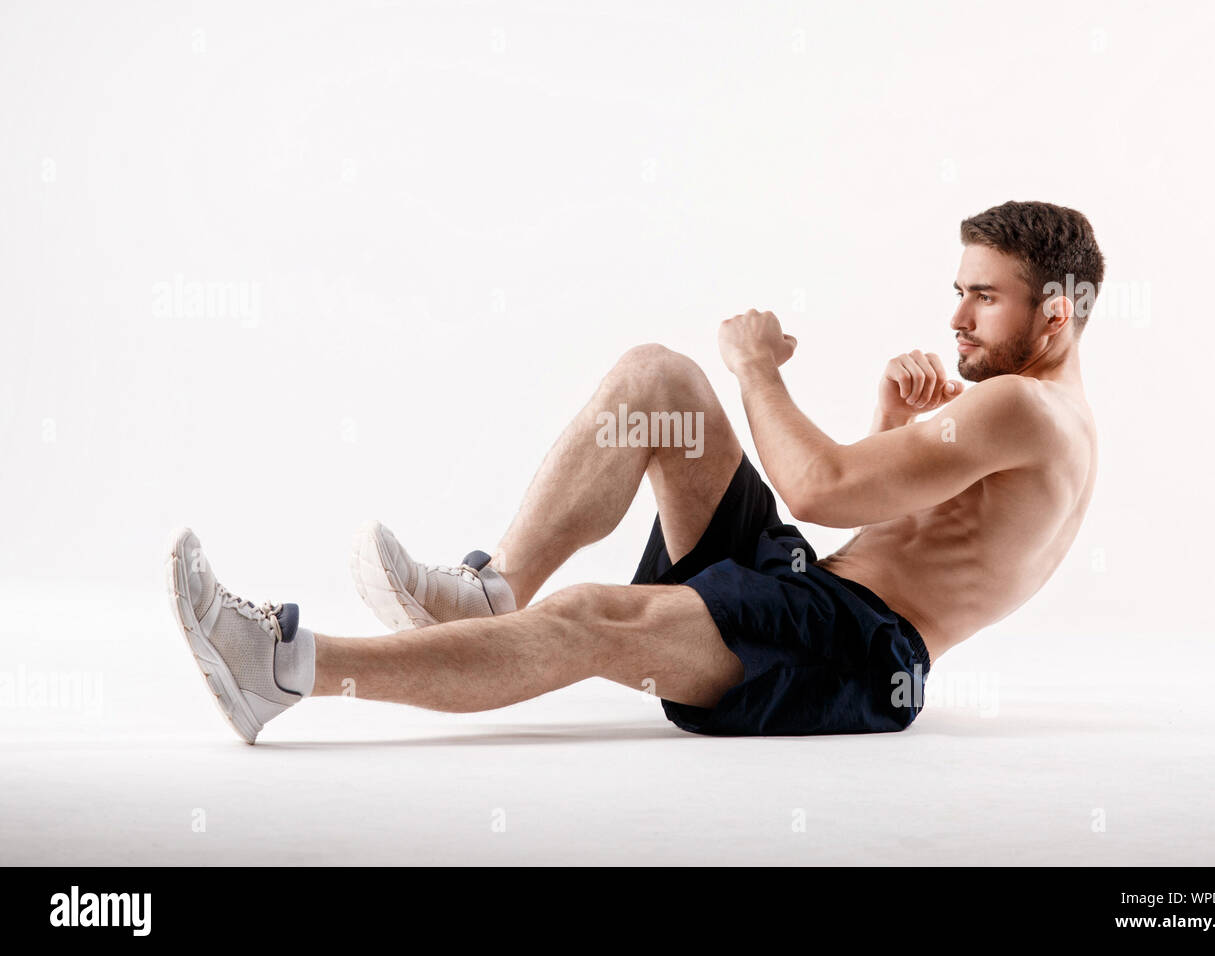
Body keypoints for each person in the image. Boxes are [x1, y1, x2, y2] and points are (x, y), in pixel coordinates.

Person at [166, 199, 1103, 744]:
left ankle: (283, 670)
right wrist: (889, 427)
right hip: (816, 591)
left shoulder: (1023, 406)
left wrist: (755, 368)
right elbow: (879, 514)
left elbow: (817, 490)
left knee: (591, 618)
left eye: (986, 298)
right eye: (959, 293)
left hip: (859, 653)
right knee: (657, 378)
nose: (958, 320)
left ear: (1055, 315)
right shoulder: (1031, 416)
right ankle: (492, 592)